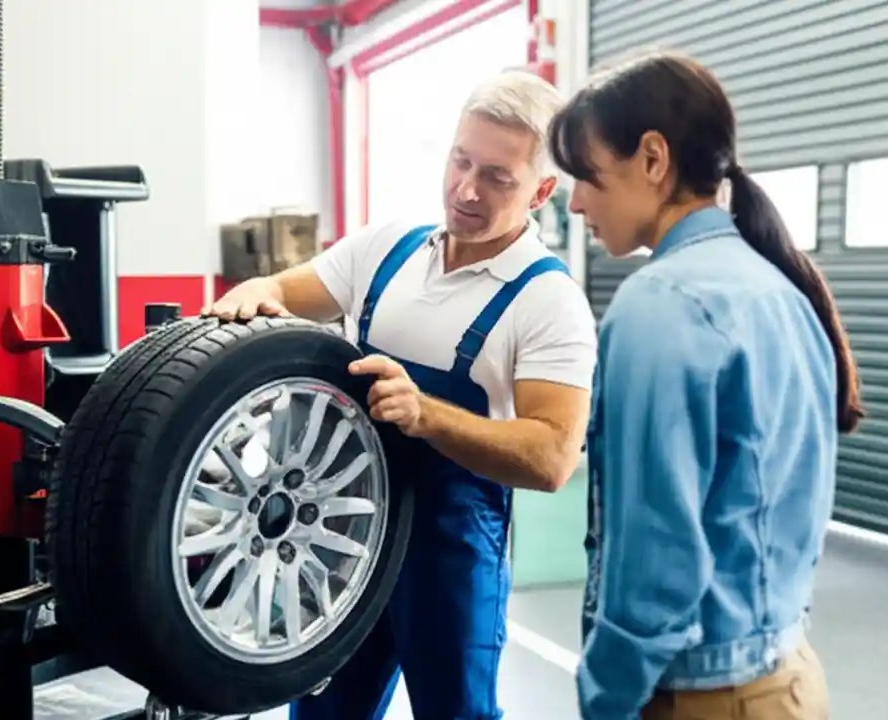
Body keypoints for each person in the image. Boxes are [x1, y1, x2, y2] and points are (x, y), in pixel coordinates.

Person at [203, 70, 597, 719]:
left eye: (497, 177)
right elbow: (282, 292)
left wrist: (427, 415)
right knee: (325, 713)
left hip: (449, 557)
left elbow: (552, 456)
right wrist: (255, 292)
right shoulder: (387, 248)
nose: (466, 190)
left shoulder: (549, 301)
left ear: (541, 190)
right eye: (460, 161)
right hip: (338, 537)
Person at [548, 51, 864, 720]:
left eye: (586, 176)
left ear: (652, 159)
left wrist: (604, 698)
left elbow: (655, 562)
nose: (575, 203)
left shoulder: (661, 305)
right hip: (789, 678)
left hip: (703, 697)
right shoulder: (782, 292)